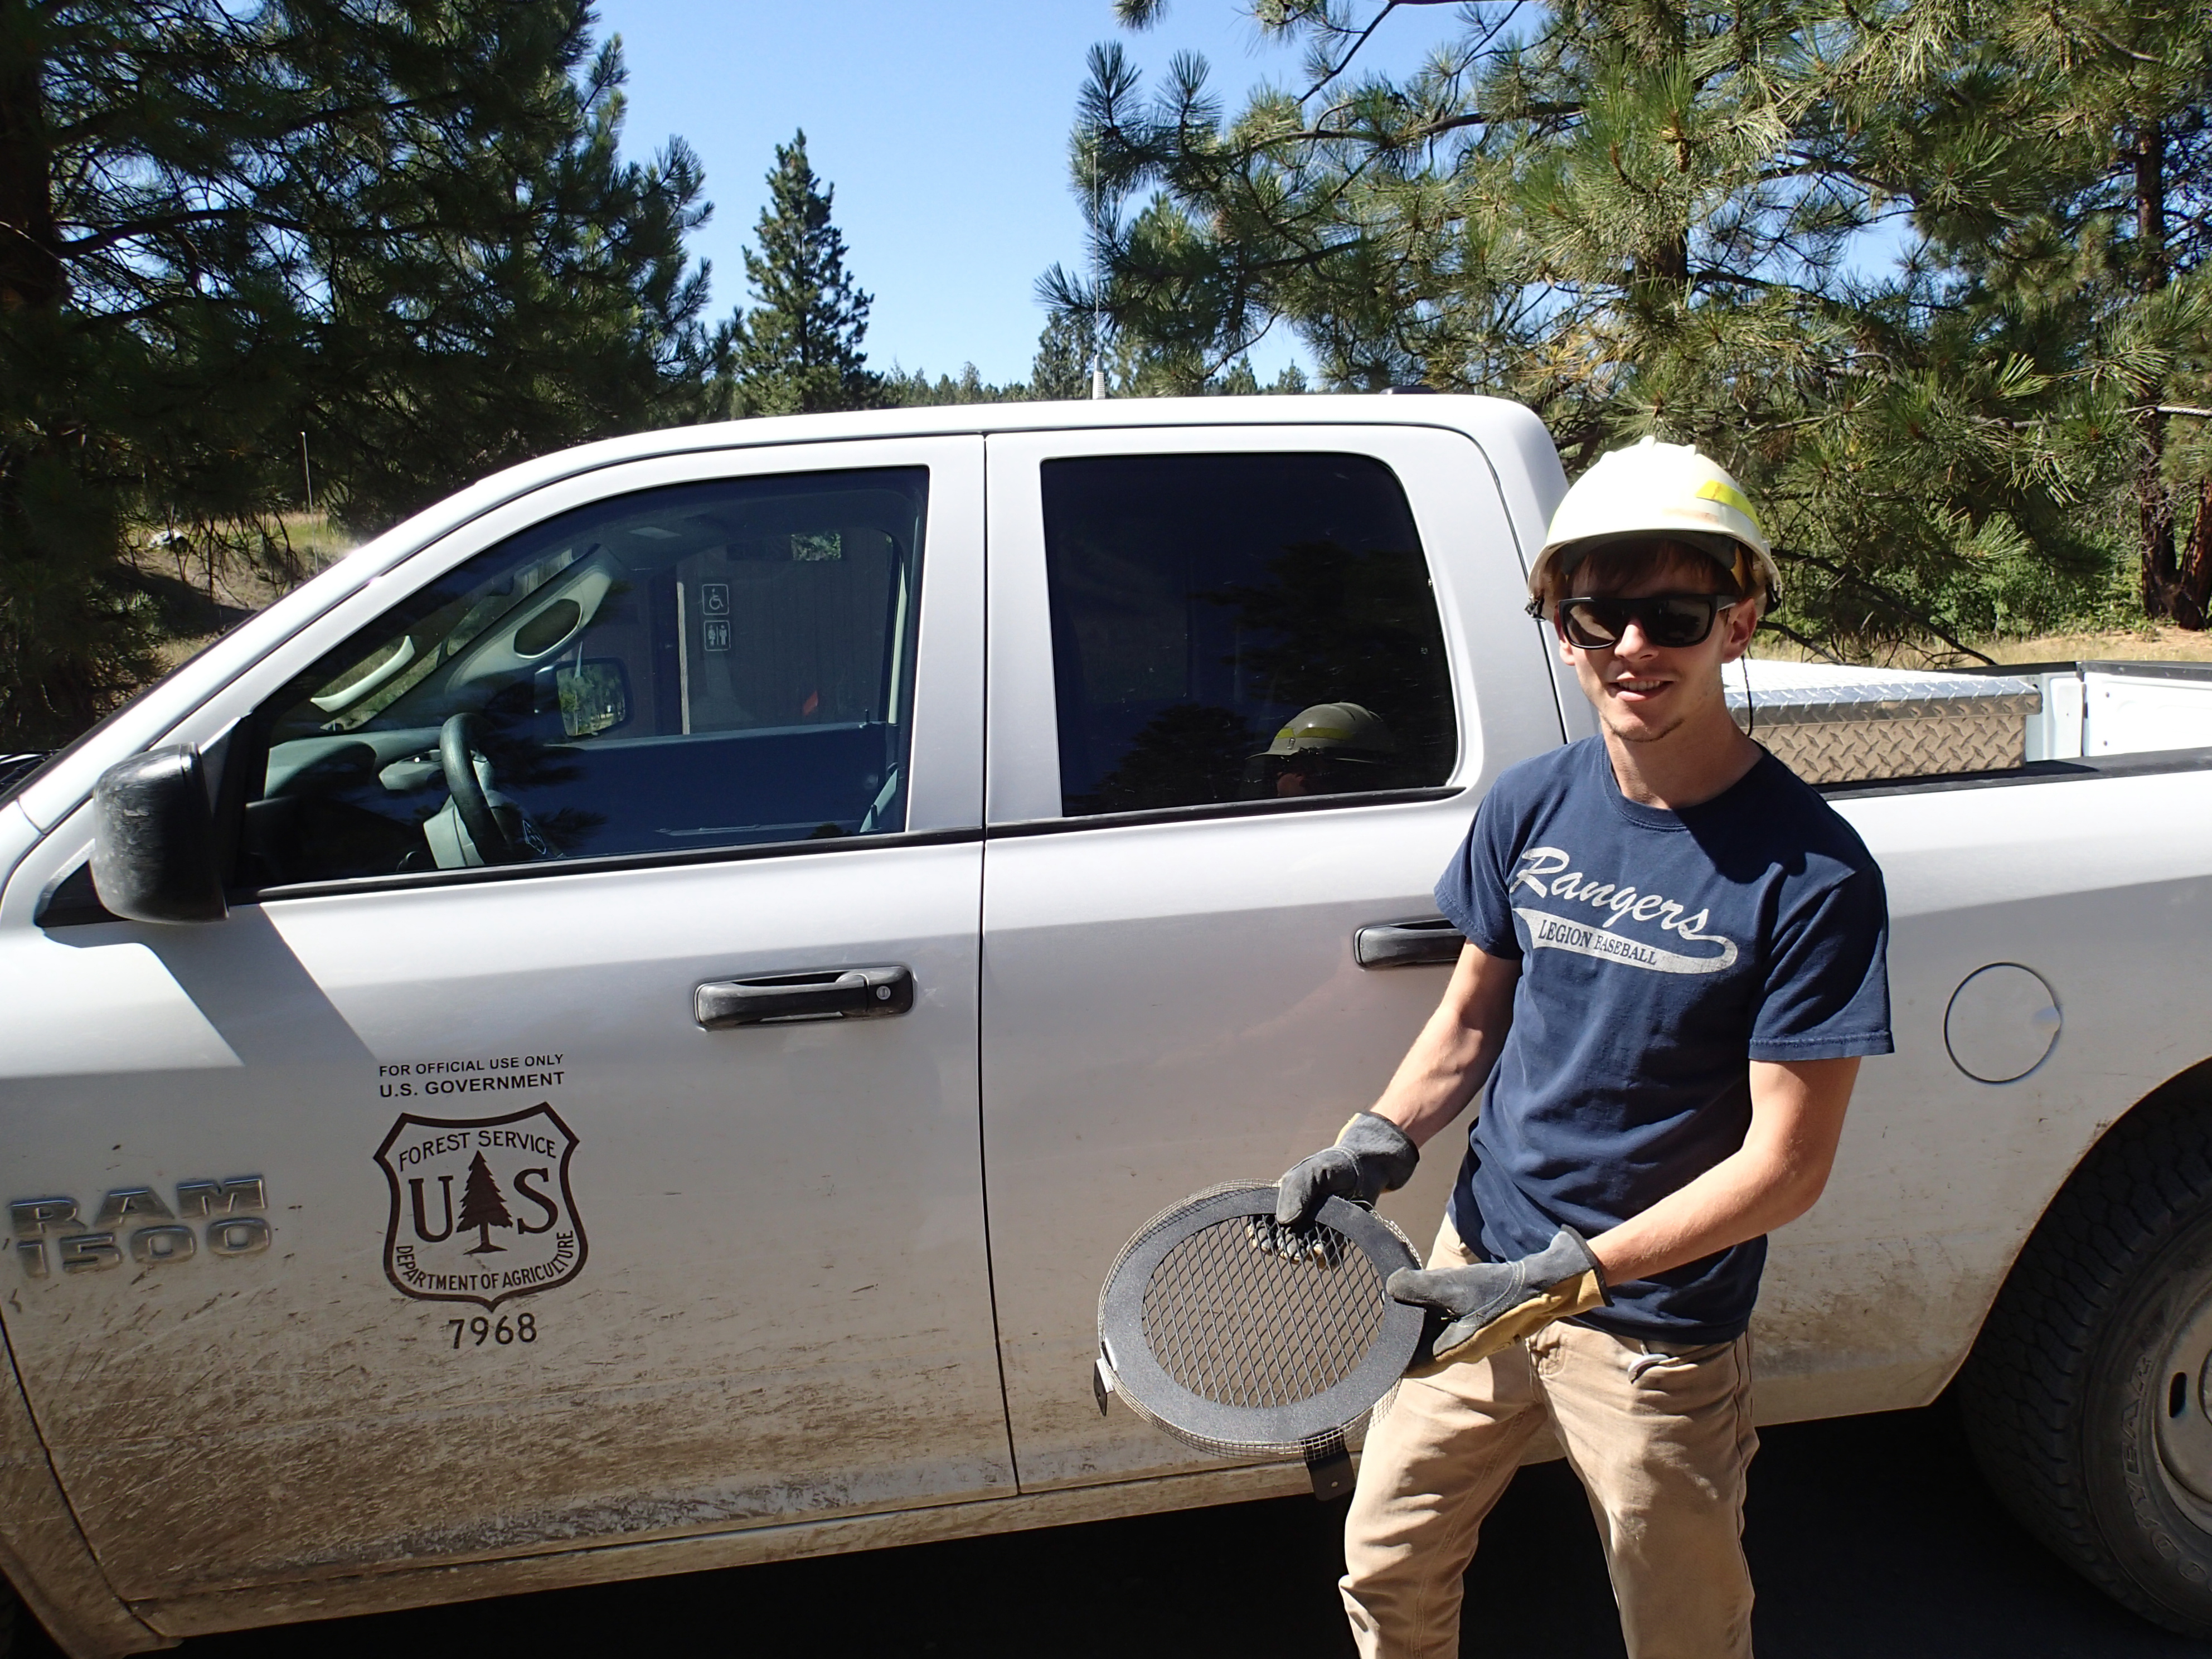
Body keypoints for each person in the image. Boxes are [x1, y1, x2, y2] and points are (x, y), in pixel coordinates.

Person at [1272, 436, 1893, 1659]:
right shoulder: (1529, 804)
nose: (1632, 650)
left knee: (1681, 1632)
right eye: (1597, 613)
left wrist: (1574, 1272)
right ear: (1558, 622)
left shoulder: (1812, 873)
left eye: (1672, 615)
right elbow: (1468, 1018)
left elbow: (1787, 1168)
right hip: (1477, 1268)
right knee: (1384, 1569)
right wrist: (1378, 1138)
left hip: (1656, 1322)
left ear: (1740, 619)